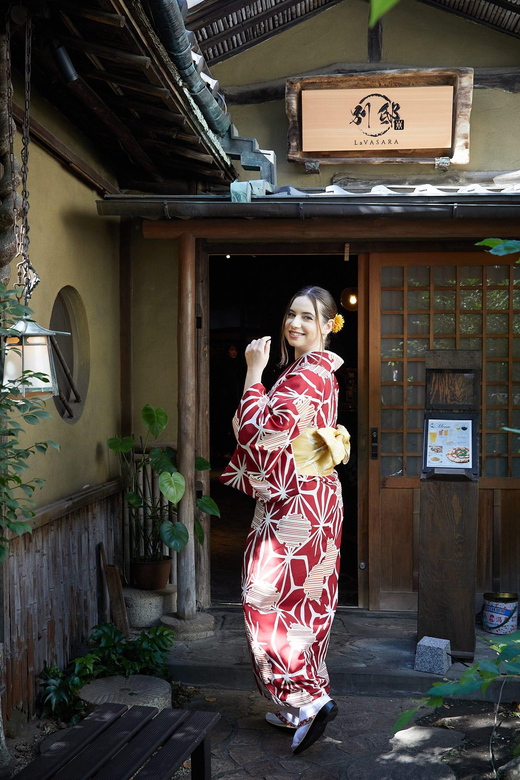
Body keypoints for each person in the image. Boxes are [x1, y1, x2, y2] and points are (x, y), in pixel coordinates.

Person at [221, 285, 350, 754]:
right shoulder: (318, 372)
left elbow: (259, 434)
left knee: (268, 599)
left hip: (297, 504)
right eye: (291, 314)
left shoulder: (303, 377)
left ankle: (310, 701)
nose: (295, 324)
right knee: (305, 601)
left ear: (326, 326)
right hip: (312, 497)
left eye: (307, 318)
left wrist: (253, 373)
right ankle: (300, 705)